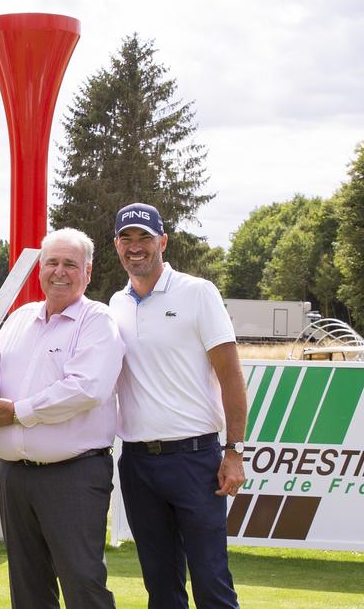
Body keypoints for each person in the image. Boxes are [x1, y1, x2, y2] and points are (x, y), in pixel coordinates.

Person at [0, 228, 125, 609]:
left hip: (74, 476)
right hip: (15, 475)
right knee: (28, 588)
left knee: (83, 585)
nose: (59, 272)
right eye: (52, 263)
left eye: (70, 264)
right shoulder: (19, 318)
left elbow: (86, 389)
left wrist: (17, 411)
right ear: (39, 270)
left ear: (88, 272)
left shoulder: (98, 321)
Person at [110, 202, 247, 609]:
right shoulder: (115, 305)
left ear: (162, 242)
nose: (136, 247)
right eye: (127, 239)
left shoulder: (197, 292)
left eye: (144, 239)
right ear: (117, 245)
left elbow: (231, 377)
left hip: (194, 459)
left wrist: (235, 451)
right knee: (162, 587)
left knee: (211, 582)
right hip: (136, 463)